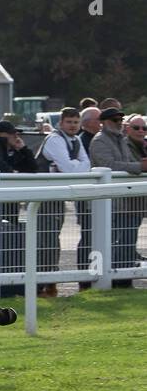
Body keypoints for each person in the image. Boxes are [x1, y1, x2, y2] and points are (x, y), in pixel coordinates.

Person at [88, 106, 145, 284]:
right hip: (108, 202)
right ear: (104, 122)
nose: (119, 123)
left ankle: (124, 281)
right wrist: (139, 167)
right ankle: (104, 281)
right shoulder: (99, 141)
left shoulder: (120, 139)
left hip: (125, 202)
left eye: (120, 120)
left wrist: (138, 165)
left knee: (127, 243)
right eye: (115, 120)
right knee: (110, 244)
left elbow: (126, 163)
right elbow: (109, 165)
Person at [37, 107, 89, 295]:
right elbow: (69, 169)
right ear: (61, 123)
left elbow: (87, 164)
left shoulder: (76, 140)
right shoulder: (55, 139)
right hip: (43, 196)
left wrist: (75, 166)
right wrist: (76, 165)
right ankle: (43, 282)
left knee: (53, 239)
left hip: (57, 196)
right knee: (46, 239)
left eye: (76, 122)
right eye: (69, 122)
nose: (73, 126)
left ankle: (50, 281)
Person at [0, 121, 39, 297]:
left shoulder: (8, 151)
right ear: (1, 135)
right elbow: (1, 169)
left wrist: (23, 149)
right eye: (12, 134)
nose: (16, 137)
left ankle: (8, 286)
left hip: (7, 206)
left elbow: (32, 168)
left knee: (8, 245)